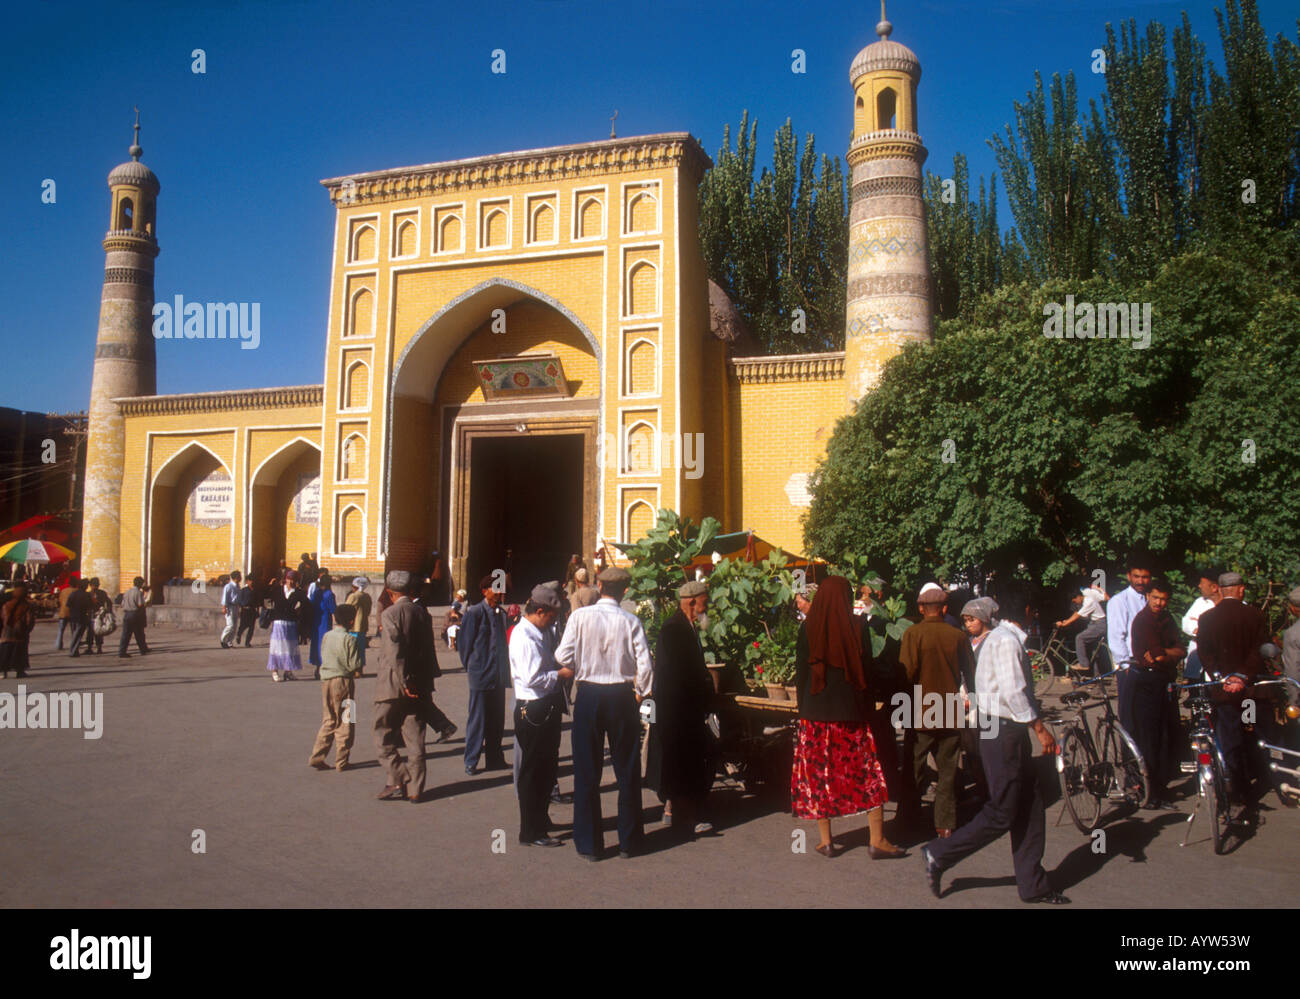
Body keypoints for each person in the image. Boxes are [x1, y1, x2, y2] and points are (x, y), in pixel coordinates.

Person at [923, 587, 1069, 904]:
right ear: (1028, 612)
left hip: (1000, 730)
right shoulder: (1005, 641)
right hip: (1002, 731)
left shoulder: (994, 640)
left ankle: (1033, 885)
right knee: (1002, 812)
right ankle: (939, 853)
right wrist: (1040, 728)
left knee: (1030, 808)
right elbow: (1014, 692)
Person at [790, 576, 904, 859]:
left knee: (819, 776)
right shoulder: (858, 627)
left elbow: (802, 674)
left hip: (815, 717)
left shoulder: (808, 628)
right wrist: (867, 711)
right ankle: (877, 840)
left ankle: (826, 841)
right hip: (851, 716)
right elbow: (865, 674)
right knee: (867, 773)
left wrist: (804, 711)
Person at [554, 566, 653, 860]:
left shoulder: (580, 617)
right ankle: (630, 840)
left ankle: (590, 844)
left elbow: (562, 656)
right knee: (627, 769)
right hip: (621, 695)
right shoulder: (631, 620)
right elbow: (646, 667)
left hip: (588, 695)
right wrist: (640, 693)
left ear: (599, 585)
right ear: (625, 590)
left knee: (587, 771)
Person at [1197, 571, 1276, 823]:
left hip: (1224, 691)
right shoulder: (1255, 615)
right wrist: (1242, 676)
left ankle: (1234, 789)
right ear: (1240, 589)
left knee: (1229, 738)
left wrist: (1224, 677)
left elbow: (1205, 654)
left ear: (1220, 590)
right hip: (1251, 690)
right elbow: (1260, 650)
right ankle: (1264, 782)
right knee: (1256, 735)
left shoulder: (1207, 618)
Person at [900, 582, 976, 838]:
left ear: (921, 608)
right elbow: (971, 674)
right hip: (950, 710)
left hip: (920, 711)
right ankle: (945, 824)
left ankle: (908, 818)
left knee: (914, 768)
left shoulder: (912, 634)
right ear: (944, 609)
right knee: (947, 770)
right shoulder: (958, 636)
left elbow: (906, 674)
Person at [646, 580, 716, 840]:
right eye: (704, 601)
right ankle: (688, 818)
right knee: (682, 762)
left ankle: (673, 811)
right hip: (678, 709)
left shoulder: (684, 627)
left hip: (681, 708)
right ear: (692, 601)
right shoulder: (675, 629)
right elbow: (674, 674)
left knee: (679, 761)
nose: (706, 606)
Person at [510, 584, 573, 847]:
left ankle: (540, 818)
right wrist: (561, 674)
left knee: (547, 768)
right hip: (532, 708)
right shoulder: (524, 636)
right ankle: (530, 830)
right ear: (539, 611)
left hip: (546, 706)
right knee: (533, 771)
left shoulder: (540, 631)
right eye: (551, 616)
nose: (554, 622)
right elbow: (532, 677)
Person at [373, 570, 439, 802]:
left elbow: (394, 650)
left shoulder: (390, 614)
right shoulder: (422, 613)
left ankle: (400, 776)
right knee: (415, 738)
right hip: (420, 684)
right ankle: (416, 790)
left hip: (393, 685)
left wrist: (404, 681)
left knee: (382, 734)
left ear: (390, 593)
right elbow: (429, 650)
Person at [1129, 576, 1185, 809]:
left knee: (1166, 736)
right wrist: (1169, 653)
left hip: (1164, 680)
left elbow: (1180, 649)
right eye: (1155, 598)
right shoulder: (1143, 621)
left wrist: (1167, 653)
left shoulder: (1167, 618)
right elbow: (1160, 655)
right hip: (1147, 682)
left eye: (1163, 599)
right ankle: (1150, 792)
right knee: (1150, 739)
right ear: (1148, 597)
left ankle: (1161, 788)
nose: (1159, 603)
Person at [459, 576, 510, 775]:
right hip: (480, 674)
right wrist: (473, 667)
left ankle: (495, 759)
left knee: (497, 720)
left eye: (501, 589)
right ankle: (471, 760)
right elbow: (465, 645)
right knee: (477, 720)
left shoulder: (501, 614)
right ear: (484, 591)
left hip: (498, 676)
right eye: (495, 589)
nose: (499, 593)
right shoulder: (475, 613)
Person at [310, 602, 363, 772]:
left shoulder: (327, 636)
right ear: (351, 621)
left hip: (326, 680)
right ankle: (342, 760)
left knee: (329, 719)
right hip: (343, 682)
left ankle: (317, 756)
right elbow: (355, 664)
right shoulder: (350, 639)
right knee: (347, 720)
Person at [1107, 557, 1152, 733]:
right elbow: (1117, 636)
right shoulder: (1120, 600)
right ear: (1129, 576)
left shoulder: (1150, 599)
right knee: (1130, 716)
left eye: (1145, 577)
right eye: (1136, 576)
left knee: (1147, 715)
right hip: (1130, 665)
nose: (1140, 581)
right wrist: (1125, 664)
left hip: (1149, 663)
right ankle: (1129, 759)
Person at [1055, 577, 1107, 676]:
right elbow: (1077, 613)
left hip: (1099, 625)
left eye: (1075, 601)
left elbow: (1078, 615)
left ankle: (1083, 664)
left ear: (1079, 596)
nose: (1075, 603)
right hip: (1094, 624)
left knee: (1079, 638)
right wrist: (1066, 621)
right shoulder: (1086, 601)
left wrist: (1065, 623)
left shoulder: (1089, 602)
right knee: (1091, 650)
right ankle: (1096, 677)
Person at [1181, 568, 1222, 681]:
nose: (1199, 586)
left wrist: (1201, 625)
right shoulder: (1200, 602)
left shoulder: (1233, 604)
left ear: (1214, 587)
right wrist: (1199, 629)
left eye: (1202, 583)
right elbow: (1186, 622)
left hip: (1219, 665)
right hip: (1197, 663)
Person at [267, 570, 305, 681]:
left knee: (290, 647)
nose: (291, 582)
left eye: (294, 580)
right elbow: (267, 596)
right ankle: (275, 671)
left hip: (291, 622)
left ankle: (288, 671)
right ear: (286, 579)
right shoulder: (278, 590)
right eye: (290, 579)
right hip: (279, 622)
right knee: (277, 646)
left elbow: (305, 604)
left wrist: (298, 611)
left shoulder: (298, 592)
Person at [0, 583, 37, 679]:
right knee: (20, 654)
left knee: (5, 653)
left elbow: (2, 619)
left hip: (6, 634)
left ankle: (3, 672)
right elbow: (30, 621)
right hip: (20, 635)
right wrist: (27, 631)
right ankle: (20, 672)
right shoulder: (27, 606)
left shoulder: (6, 605)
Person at [311, 571, 337, 680]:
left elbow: (311, 604)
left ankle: (317, 667)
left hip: (316, 620)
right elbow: (333, 609)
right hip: (325, 620)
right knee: (325, 644)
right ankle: (323, 667)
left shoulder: (316, 592)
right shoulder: (329, 594)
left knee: (317, 643)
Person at [118, 577, 151, 658]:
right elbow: (140, 605)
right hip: (135, 614)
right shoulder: (138, 593)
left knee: (125, 634)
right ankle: (142, 649)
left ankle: (122, 651)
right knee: (139, 633)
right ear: (140, 584)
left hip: (127, 614)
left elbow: (122, 604)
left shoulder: (127, 592)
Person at [344, 577, 372, 667]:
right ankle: (360, 668)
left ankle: (354, 667)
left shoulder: (353, 596)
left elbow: (345, 609)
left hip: (354, 626)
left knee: (353, 648)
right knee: (361, 648)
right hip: (363, 625)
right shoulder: (367, 596)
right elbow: (368, 610)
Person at [85, 577, 114, 655]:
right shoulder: (89, 594)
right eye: (94, 585)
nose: (95, 587)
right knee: (91, 632)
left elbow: (109, 602)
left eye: (96, 585)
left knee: (98, 631)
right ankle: (90, 647)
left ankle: (98, 648)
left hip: (98, 614)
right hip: (92, 614)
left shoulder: (100, 593)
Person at [67, 580, 93, 658]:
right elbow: (90, 605)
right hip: (82, 616)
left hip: (73, 616)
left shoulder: (73, 594)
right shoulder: (86, 595)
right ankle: (73, 650)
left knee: (74, 633)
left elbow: (68, 604)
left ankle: (74, 650)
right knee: (78, 635)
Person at [219, 570, 241, 648]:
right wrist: (224, 607)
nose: (241, 578)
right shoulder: (228, 586)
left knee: (234, 626)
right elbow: (225, 597)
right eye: (239, 576)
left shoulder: (238, 586)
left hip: (236, 607)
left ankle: (229, 641)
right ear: (235, 578)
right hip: (230, 607)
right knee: (230, 625)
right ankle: (223, 640)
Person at [235, 576, 258, 647]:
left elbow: (257, 601)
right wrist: (242, 606)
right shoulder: (244, 590)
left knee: (251, 627)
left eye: (252, 580)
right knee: (243, 625)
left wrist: (257, 610)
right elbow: (239, 600)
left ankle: (247, 642)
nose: (252, 582)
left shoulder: (255, 590)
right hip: (245, 610)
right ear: (247, 582)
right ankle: (239, 634)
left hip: (252, 610)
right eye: (250, 580)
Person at [54, 577, 74, 650]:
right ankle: (73, 645)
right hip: (72, 613)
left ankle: (58, 645)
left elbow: (60, 601)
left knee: (61, 630)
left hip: (63, 612)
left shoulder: (63, 591)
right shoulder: (75, 591)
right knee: (73, 631)